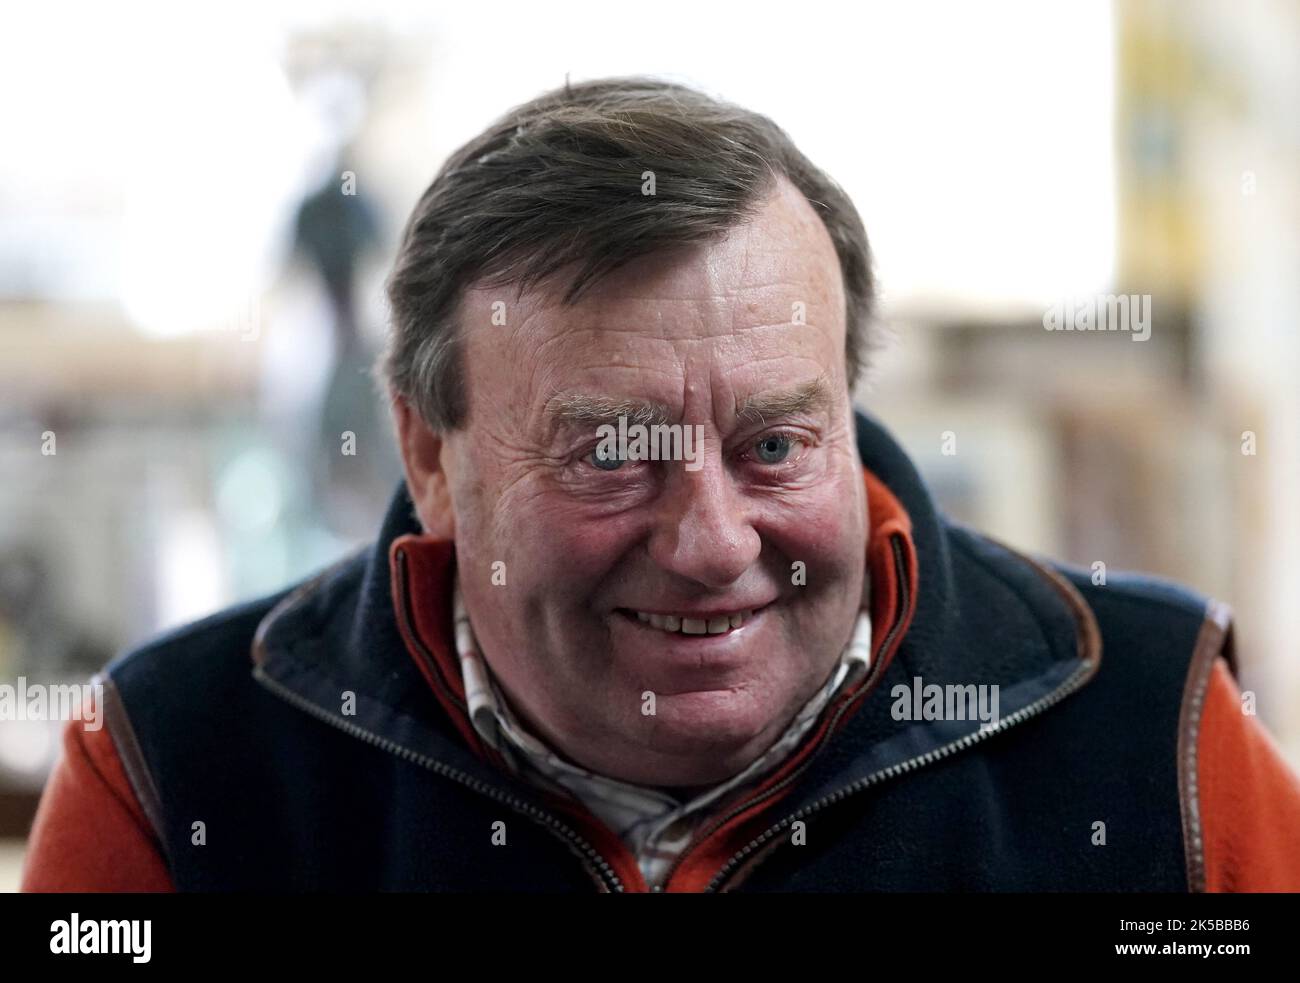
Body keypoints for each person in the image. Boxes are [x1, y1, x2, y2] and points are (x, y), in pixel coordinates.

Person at [22, 76, 1300, 892]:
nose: (709, 541)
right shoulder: (174, 773)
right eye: (614, 452)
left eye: (774, 446)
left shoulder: (1154, 738)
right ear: (428, 453)